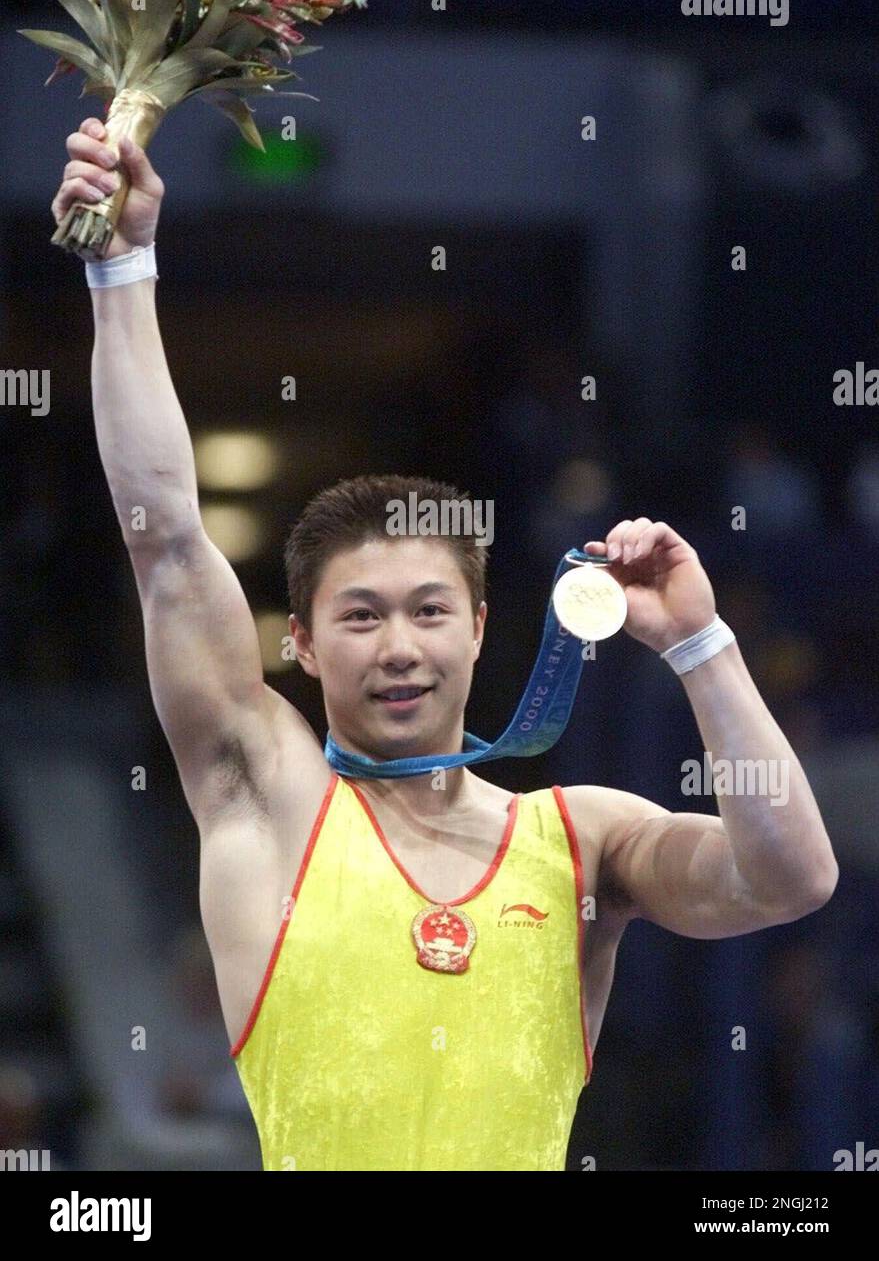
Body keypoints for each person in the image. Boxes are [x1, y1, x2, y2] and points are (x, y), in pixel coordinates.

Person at [51, 118, 839, 1172]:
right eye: (361, 616)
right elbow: (164, 538)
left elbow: (789, 878)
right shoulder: (267, 795)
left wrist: (701, 644)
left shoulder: (585, 841)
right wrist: (124, 266)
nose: (399, 646)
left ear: (476, 631)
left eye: (428, 611)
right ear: (309, 647)